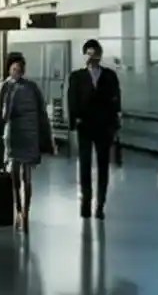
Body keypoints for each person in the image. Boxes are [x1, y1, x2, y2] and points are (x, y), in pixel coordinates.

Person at [0, 53, 55, 232]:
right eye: (14, 68)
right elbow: (0, 118)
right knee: (17, 176)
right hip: (15, 137)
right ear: (9, 69)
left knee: (25, 177)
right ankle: (20, 210)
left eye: (19, 68)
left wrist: (46, 140)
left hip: (26, 137)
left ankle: (23, 212)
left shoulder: (15, 87)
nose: (17, 71)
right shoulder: (8, 87)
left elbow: (41, 115)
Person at [67, 38, 122, 220]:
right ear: (85, 56)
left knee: (103, 165)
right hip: (85, 126)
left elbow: (116, 101)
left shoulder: (109, 76)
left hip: (103, 126)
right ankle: (86, 201)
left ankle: (100, 205)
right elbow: (72, 100)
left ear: (100, 55)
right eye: (89, 54)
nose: (92, 58)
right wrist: (74, 122)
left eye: (95, 54)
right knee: (84, 164)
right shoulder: (76, 77)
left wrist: (115, 124)